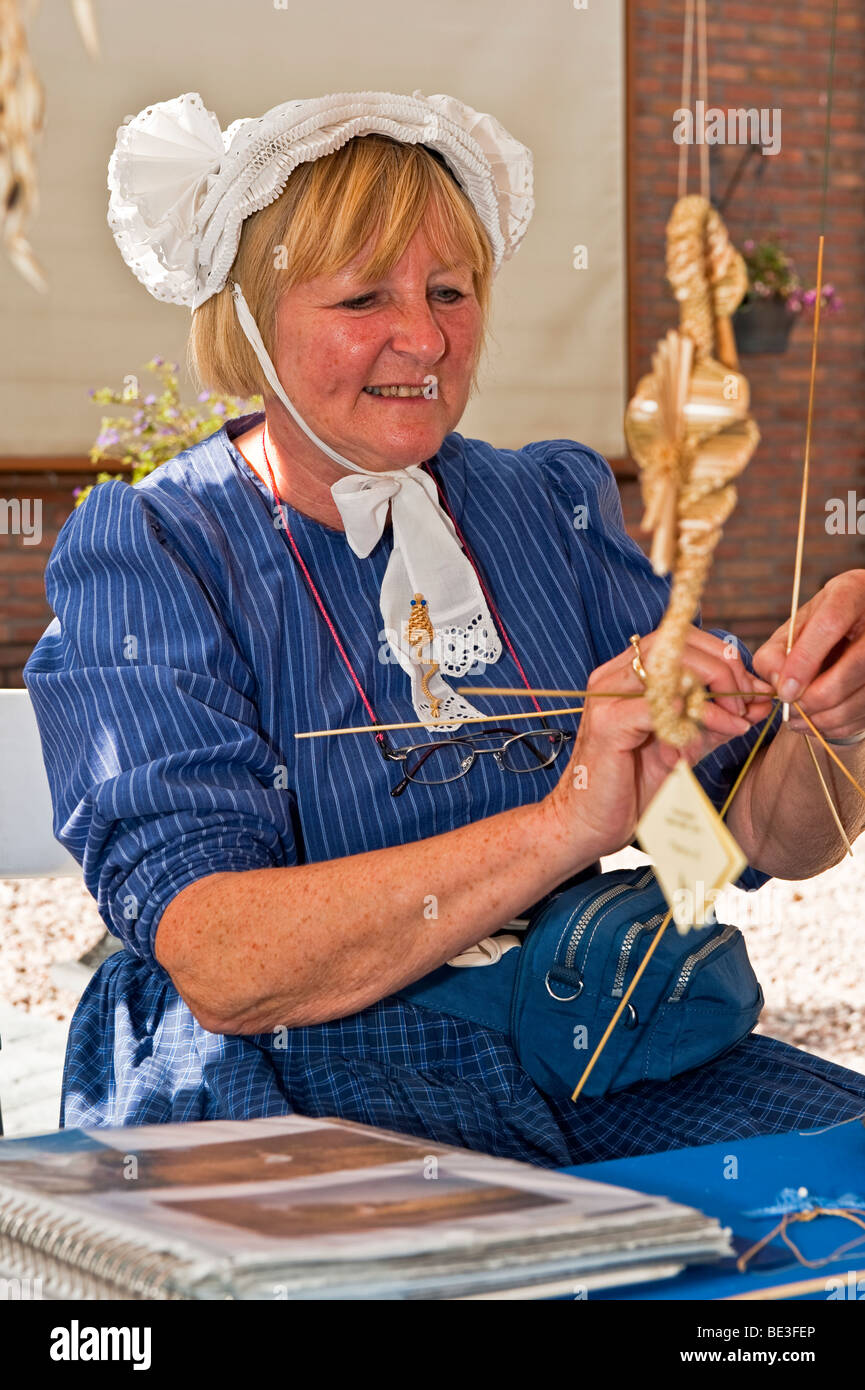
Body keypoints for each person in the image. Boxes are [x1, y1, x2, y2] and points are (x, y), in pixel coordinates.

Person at [23, 90, 865, 1165]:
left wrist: (822, 722)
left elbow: (723, 845)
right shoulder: (159, 549)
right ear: (247, 318)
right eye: (363, 295)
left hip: (574, 1042)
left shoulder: (546, 510)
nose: (422, 335)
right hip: (281, 1071)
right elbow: (221, 959)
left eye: (451, 290)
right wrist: (565, 819)